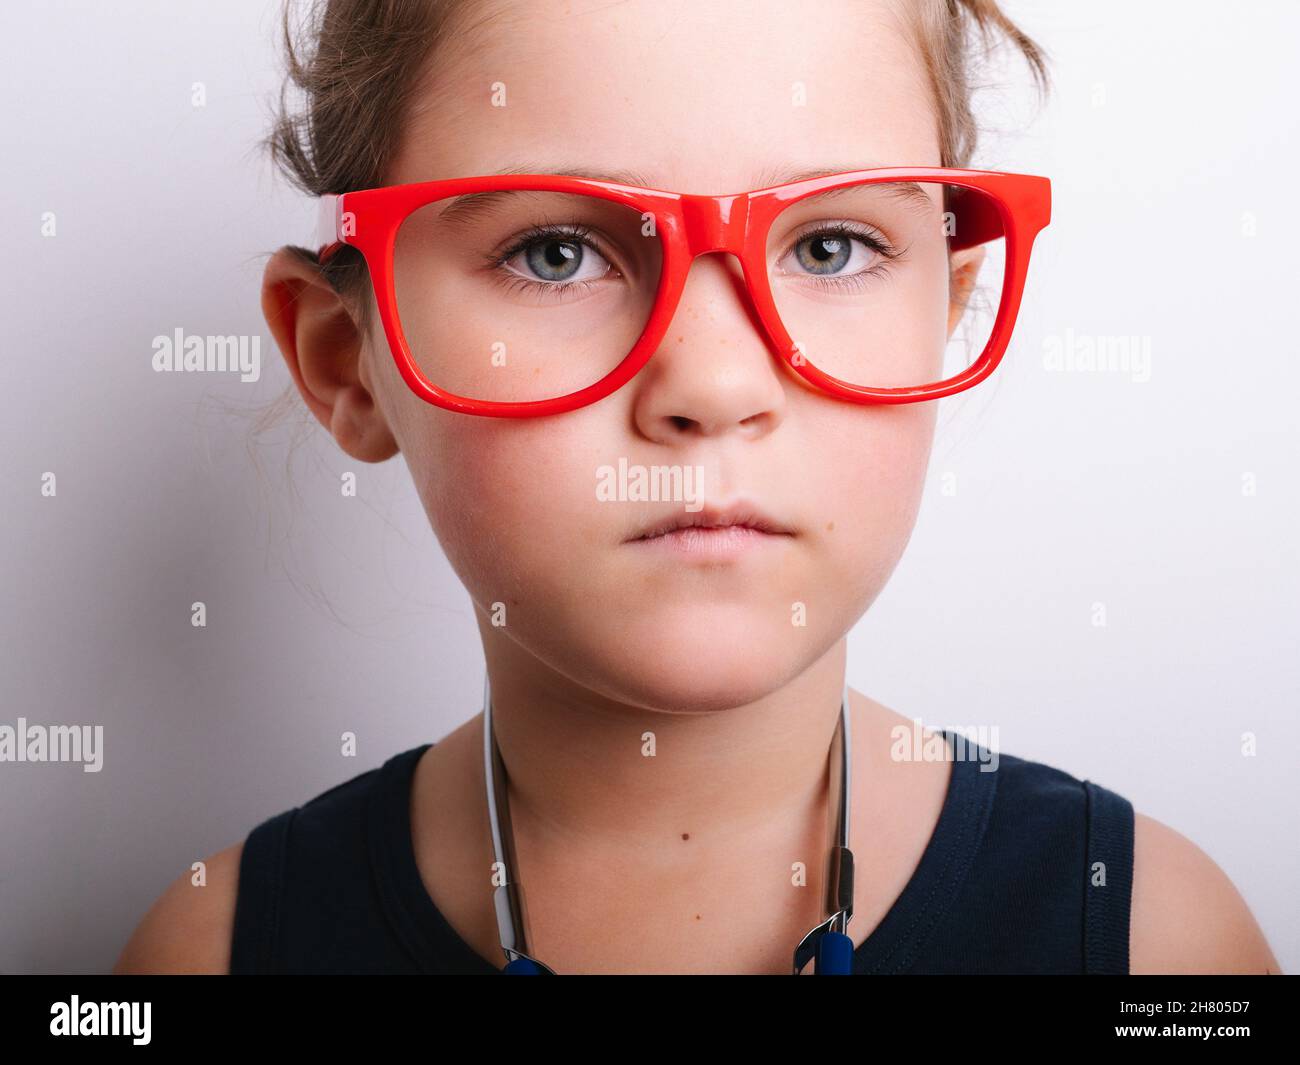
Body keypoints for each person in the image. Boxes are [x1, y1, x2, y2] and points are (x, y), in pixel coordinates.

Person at [115, 0, 1280, 975]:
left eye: (830, 247)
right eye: (556, 252)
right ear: (346, 361)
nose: (715, 384)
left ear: (948, 304)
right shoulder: (209, 954)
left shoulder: (1152, 944)